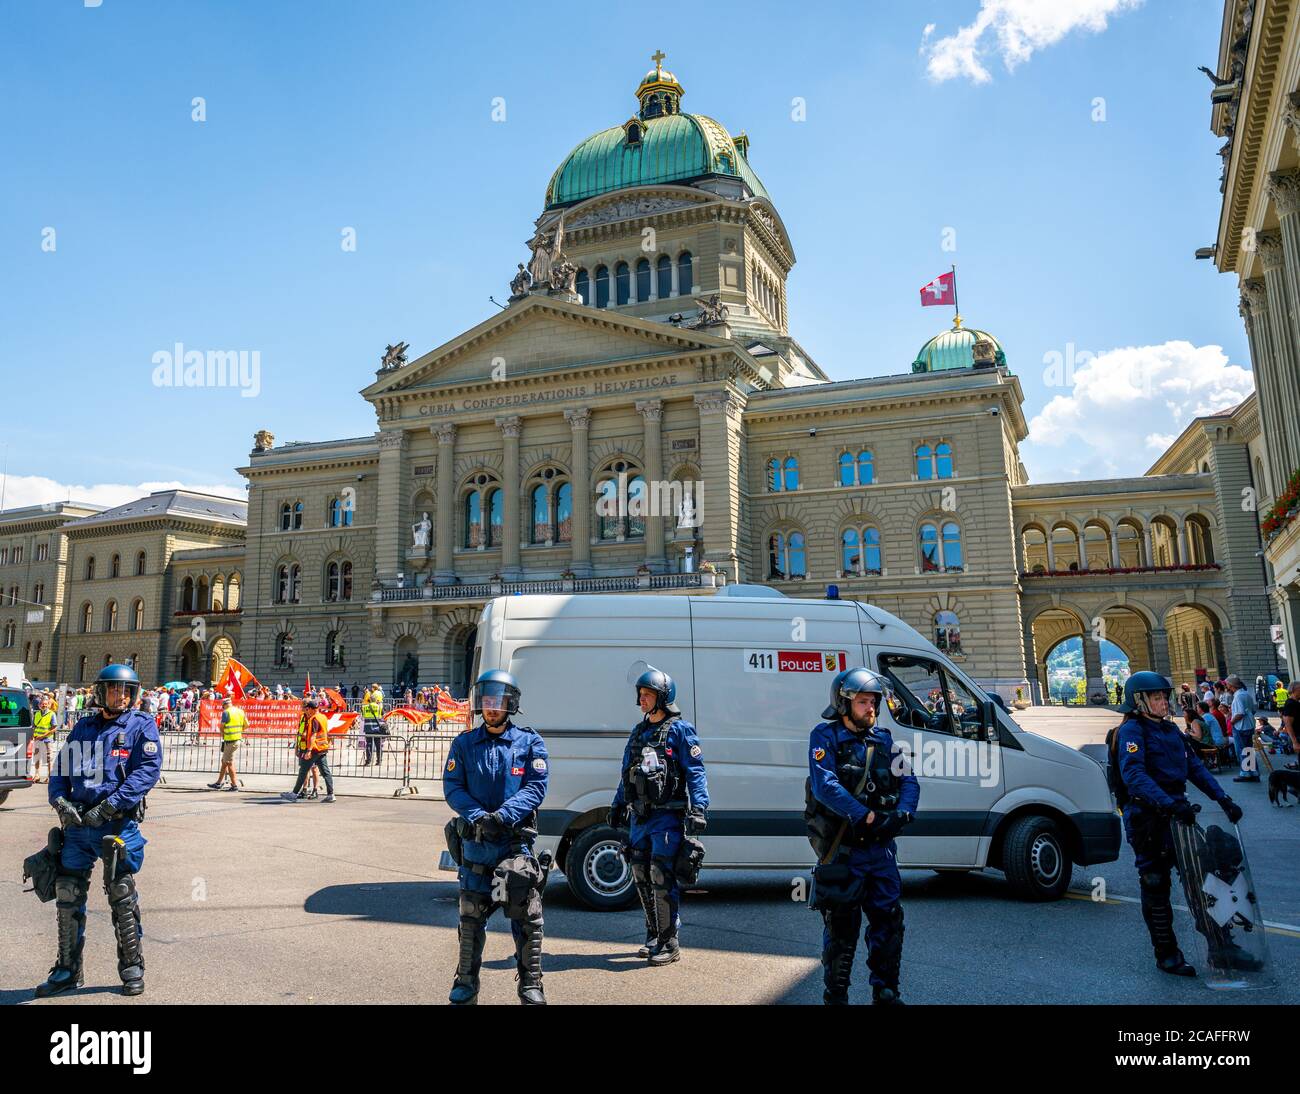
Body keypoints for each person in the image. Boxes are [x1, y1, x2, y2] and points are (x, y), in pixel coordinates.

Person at [1110, 671, 1247, 977]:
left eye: (1163, 696)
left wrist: (1223, 799)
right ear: (1139, 701)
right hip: (1148, 820)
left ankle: (1222, 949)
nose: (1163, 702)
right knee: (1156, 885)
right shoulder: (1132, 732)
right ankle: (1167, 954)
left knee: (1204, 883)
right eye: (1156, 697)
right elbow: (1134, 776)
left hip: (1179, 815)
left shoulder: (1171, 731)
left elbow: (1194, 768)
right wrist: (1168, 804)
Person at [37, 664, 161, 997]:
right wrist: (60, 801)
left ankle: (132, 967)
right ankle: (66, 970)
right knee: (67, 894)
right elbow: (61, 769)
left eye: (125, 691)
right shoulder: (84, 727)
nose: (119, 696)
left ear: (133, 694)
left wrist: (110, 806)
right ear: (100, 691)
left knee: (121, 895)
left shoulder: (141, 726)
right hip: (78, 826)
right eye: (113, 690)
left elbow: (146, 772)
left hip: (116, 824)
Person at [805, 668, 919, 1005]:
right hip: (845, 852)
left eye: (873, 702)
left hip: (881, 853)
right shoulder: (825, 737)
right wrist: (864, 815)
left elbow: (909, 781)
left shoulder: (885, 741)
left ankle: (886, 990)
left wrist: (902, 814)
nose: (871, 708)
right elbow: (825, 786)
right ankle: (836, 995)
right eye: (863, 702)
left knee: (889, 922)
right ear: (843, 703)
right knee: (841, 930)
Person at [443, 670, 549, 1005]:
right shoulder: (464, 744)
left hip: (514, 845)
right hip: (476, 845)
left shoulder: (529, 742)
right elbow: (453, 788)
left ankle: (531, 983)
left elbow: (536, 786)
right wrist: (478, 817)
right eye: (487, 701)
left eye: (498, 701)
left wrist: (503, 816)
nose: (491, 708)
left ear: (510, 704)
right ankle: (465, 982)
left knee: (527, 918)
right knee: (470, 918)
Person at [608, 666, 708, 966]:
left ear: (663, 697)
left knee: (661, 875)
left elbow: (696, 772)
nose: (642, 700)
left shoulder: (680, 730)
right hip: (641, 816)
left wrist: (699, 808)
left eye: (647, 695)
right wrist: (617, 804)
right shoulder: (639, 731)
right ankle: (653, 935)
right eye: (640, 695)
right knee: (639, 871)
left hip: (667, 816)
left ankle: (669, 941)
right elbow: (626, 772)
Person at [281, 697, 336, 803]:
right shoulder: (323, 717)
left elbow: (313, 736)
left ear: (311, 709)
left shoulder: (314, 719)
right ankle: (331, 794)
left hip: (314, 749)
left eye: (308, 709)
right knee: (325, 772)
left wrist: (309, 750)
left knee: (303, 771)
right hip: (322, 748)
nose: (307, 711)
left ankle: (294, 793)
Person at [207, 695, 245, 791]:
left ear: (225, 705)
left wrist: (224, 734)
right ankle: (218, 783)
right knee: (224, 761)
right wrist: (239, 731)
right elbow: (247, 725)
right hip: (237, 739)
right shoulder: (240, 711)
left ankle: (234, 785)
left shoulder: (226, 712)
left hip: (230, 741)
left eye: (223, 706)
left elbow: (222, 727)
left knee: (229, 762)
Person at [1226, 674, 1258, 782]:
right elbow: (1253, 710)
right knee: (1249, 749)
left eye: (1228, 685)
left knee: (1242, 750)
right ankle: (1253, 771)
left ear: (1231, 686)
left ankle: (1245, 773)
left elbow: (1239, 714)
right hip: (1249, 725)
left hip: (1241, 727)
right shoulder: (1246, 694)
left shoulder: (1238, 696)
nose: (1227, 687)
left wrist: (1232, 721)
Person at [31, 695, 56, 783]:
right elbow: (34, 726)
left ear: (48, 705)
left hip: (47, 740)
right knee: (37, 758)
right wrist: (33, 735)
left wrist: (42, 736)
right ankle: (37, 775)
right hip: (37, 739)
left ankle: (49, 777)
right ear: (39, 705)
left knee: (49, 759)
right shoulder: (37, 713)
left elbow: (54, 728)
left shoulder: (51, 714)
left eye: (45, 704)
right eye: (42, 704)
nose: (43, 706)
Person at [361, 683, 386, 766]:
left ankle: (368, 761)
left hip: (368, 728)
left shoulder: (364, 707)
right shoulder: (379, 707)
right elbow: (382, 715)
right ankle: (379, 760)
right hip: (377, 728)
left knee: (368, 745)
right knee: (378, 745)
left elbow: (363, 716)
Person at [1280, 683, 1300, 768]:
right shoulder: (1290, 704)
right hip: (1298, 737)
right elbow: (1288, 724)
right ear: (1294, 690)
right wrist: (1295, 743)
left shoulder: (1296, 702)